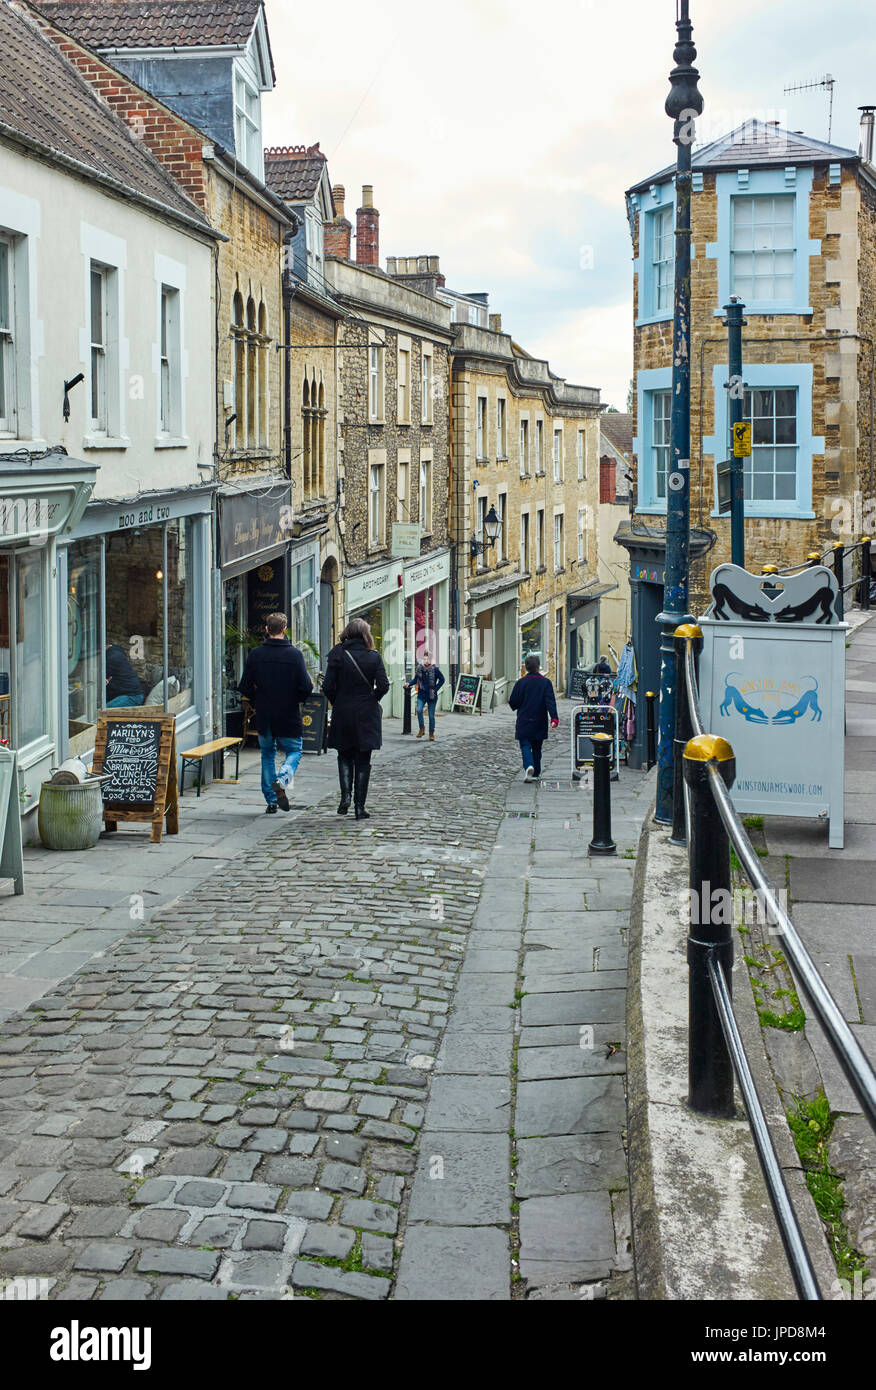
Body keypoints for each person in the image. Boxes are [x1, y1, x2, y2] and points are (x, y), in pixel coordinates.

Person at [238, 613, 313, 814]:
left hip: (264, 713)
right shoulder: (294, 655)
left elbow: (244, 686)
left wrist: (257, 699)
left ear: (266, 629)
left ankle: (271, 800)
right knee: (294, 751)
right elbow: (306, 686)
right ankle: (283, 778)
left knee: (267, 754)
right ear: (285, 629)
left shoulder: (256, 654)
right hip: (288, 712)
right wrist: (296, 699)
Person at [322, 617, 389, 820]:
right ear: (365, 635)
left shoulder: (337, 654)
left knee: (344, 755)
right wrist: (372, 699)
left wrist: (339, 700)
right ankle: (359, 808)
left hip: (343, 712)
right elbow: (384, 685)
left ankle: (346, 797)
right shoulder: (373, 657)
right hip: (366, 714)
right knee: (363, 759)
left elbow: (327, 687)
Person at [509, 653, 559, 782]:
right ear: (538, 667)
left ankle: (528, 765)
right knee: (537, 747)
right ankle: (536, 773)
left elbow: (513, 702)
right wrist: (554, 718)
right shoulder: (546, 683)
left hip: (524, 720)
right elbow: (550, 701)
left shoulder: (521, 683)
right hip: (539, 720)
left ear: (526, 667)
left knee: (525, 745)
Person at [406, 653, 446, 740]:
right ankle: (422, 728)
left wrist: (436, 688)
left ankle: (431, 733)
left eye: (427, 659)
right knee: (419, 710)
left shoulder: (435, 669)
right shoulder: (419, 668)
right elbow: (416, 679)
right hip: (421, 694)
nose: (425, 661)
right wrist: (409, 683)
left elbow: (442, 679)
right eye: (424, 659)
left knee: (431, 716)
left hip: (432, 696)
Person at [105, 643, 144, 708]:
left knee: (101, 712)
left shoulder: (111, 658)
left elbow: (103, 682)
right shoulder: (116, 649)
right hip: (128, 694)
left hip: (132, 697)